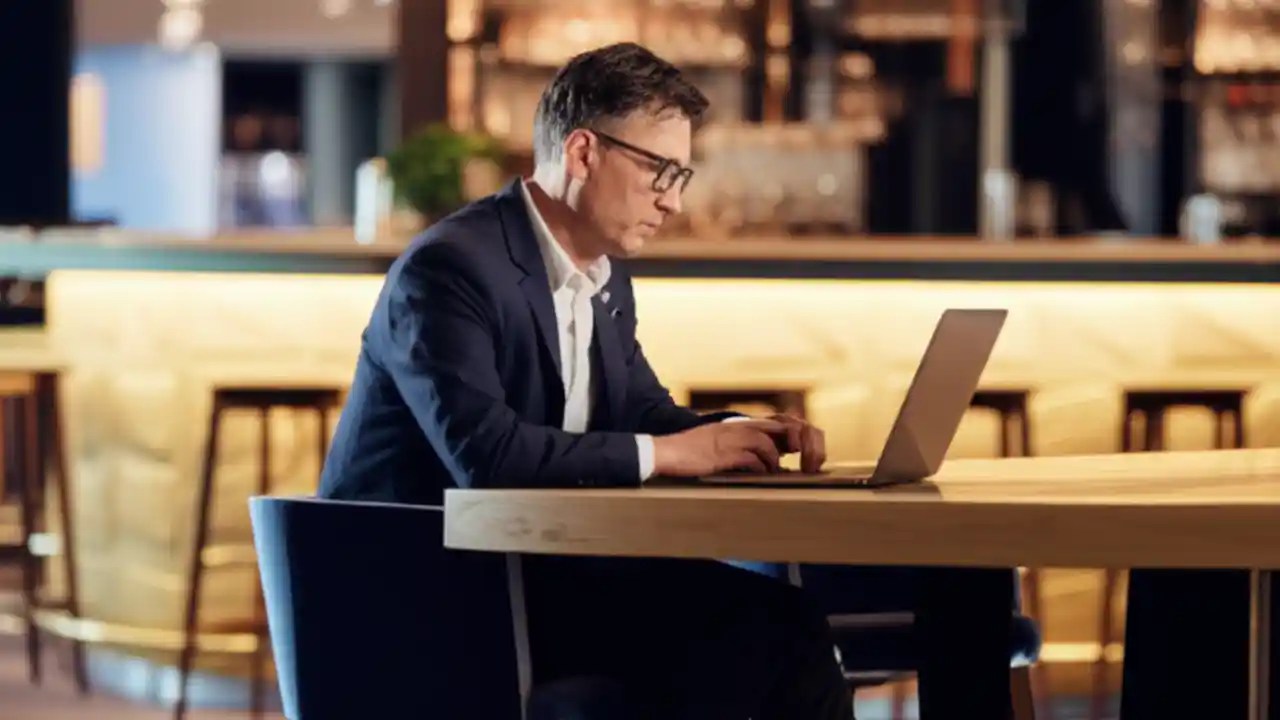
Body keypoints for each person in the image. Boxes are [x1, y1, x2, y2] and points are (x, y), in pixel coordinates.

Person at [319, 42, 1011, 719]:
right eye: (660, 171)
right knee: (761, 641)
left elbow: (640, 410)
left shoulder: (603, 275)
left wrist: (732, 432)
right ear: (584, 153)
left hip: (543, 579)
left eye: (682, 176)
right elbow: (486, 458)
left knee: (784, 626)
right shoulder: (451, 268)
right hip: (436, 602)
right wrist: (678, 454)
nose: (673, 202)